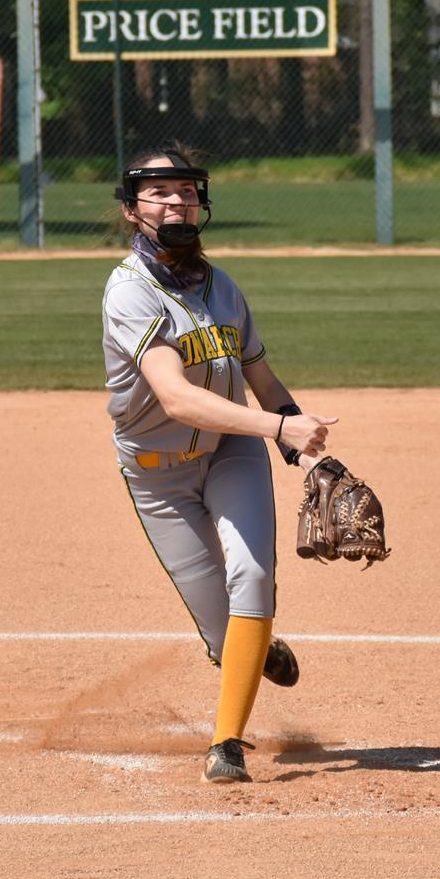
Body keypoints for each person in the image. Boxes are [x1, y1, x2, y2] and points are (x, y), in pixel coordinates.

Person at [102, 146, 336, 784]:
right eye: (158, 192)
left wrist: (304, 445)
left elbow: (258, 373)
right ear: (131, 210)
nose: (175, 201)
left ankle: (225, 744)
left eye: (184, 190)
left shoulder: (222, 287)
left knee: (252, 580)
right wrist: (278, 426)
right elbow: (176, 397)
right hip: (157, 475)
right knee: (219, 625)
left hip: (232, 452)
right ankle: (246, 648)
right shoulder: (128, 291)